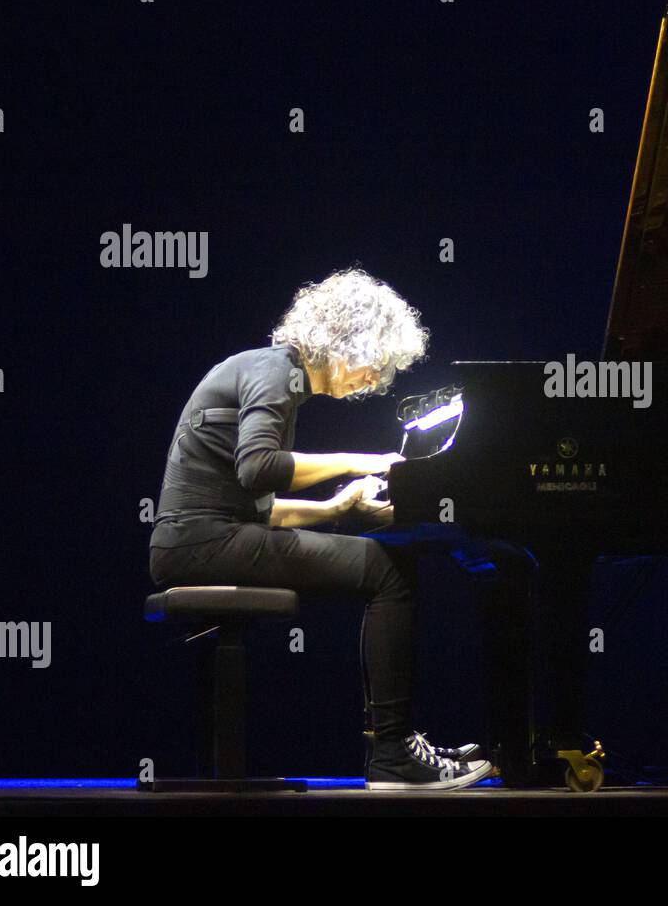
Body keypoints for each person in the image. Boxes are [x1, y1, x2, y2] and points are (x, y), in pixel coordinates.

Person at [147, 263, 492, 790]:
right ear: (344, 340)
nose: (374, 380)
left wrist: (337, 508)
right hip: (202, 543)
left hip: (200, 539)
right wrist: (363, 462)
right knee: (388, 570)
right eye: (375, 363)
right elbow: (258, 467)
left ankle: (396, 746)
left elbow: (259, 508)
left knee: (379, 559)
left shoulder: (270, 373)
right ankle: (394, 754)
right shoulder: (275, 374)